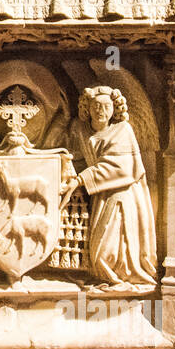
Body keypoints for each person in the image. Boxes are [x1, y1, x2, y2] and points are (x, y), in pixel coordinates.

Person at [62, 86, 158, 291]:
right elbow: (79, 158)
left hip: (121, 195)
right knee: (98, 249)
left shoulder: (123, 130)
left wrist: (79, 180)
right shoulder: (83, 131)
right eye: (96, 106)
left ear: (115, 109)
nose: (101, 111)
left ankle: (122, 278)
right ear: (87, 108)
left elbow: (120, 167)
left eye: (106, 106)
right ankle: (107, 277)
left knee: (108, 248)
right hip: (101, 195)